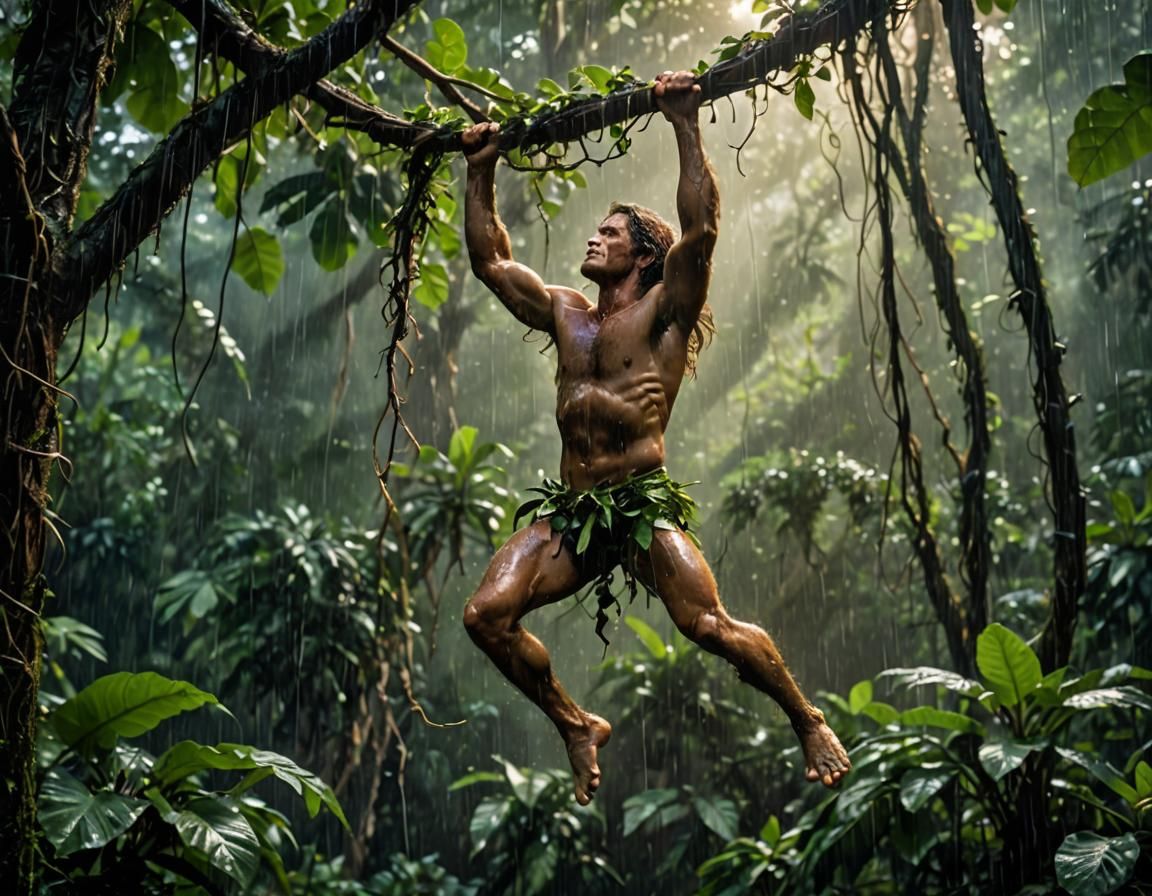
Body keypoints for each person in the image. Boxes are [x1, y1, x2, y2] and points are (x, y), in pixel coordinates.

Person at [460, 71, 851, 805]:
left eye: (609, 233)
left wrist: (684, 122)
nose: (593, 238)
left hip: (638, 504)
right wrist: (481, 169)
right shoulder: (566, 314)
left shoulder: (667, 310)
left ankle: (807, 717)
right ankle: (577, 724)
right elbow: (492, 262)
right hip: (574, 513)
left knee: (707, 624)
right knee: (486, 617)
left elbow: (701, 233)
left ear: (641, 255)